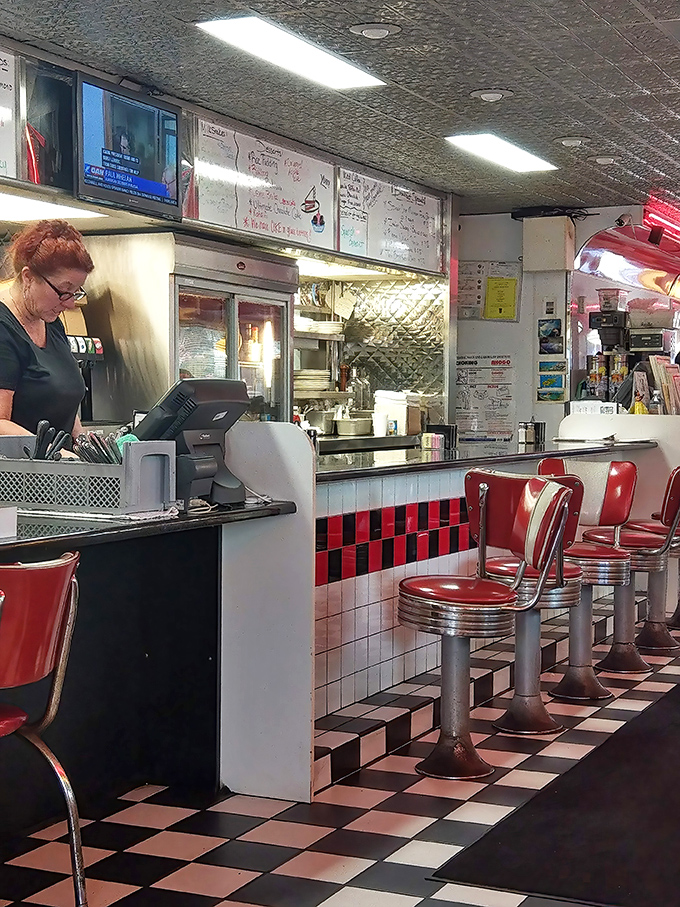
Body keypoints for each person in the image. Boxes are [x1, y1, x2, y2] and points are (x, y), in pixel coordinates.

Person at [0, 219, 94, 439]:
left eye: (75, 293)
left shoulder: (52, 324)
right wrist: (56, 456)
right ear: (28, 277)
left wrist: (87, 446)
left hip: (60, 470)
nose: (70, 303)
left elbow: (62, 405)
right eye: (63, 291)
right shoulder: (4, 329)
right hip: (22, 471)